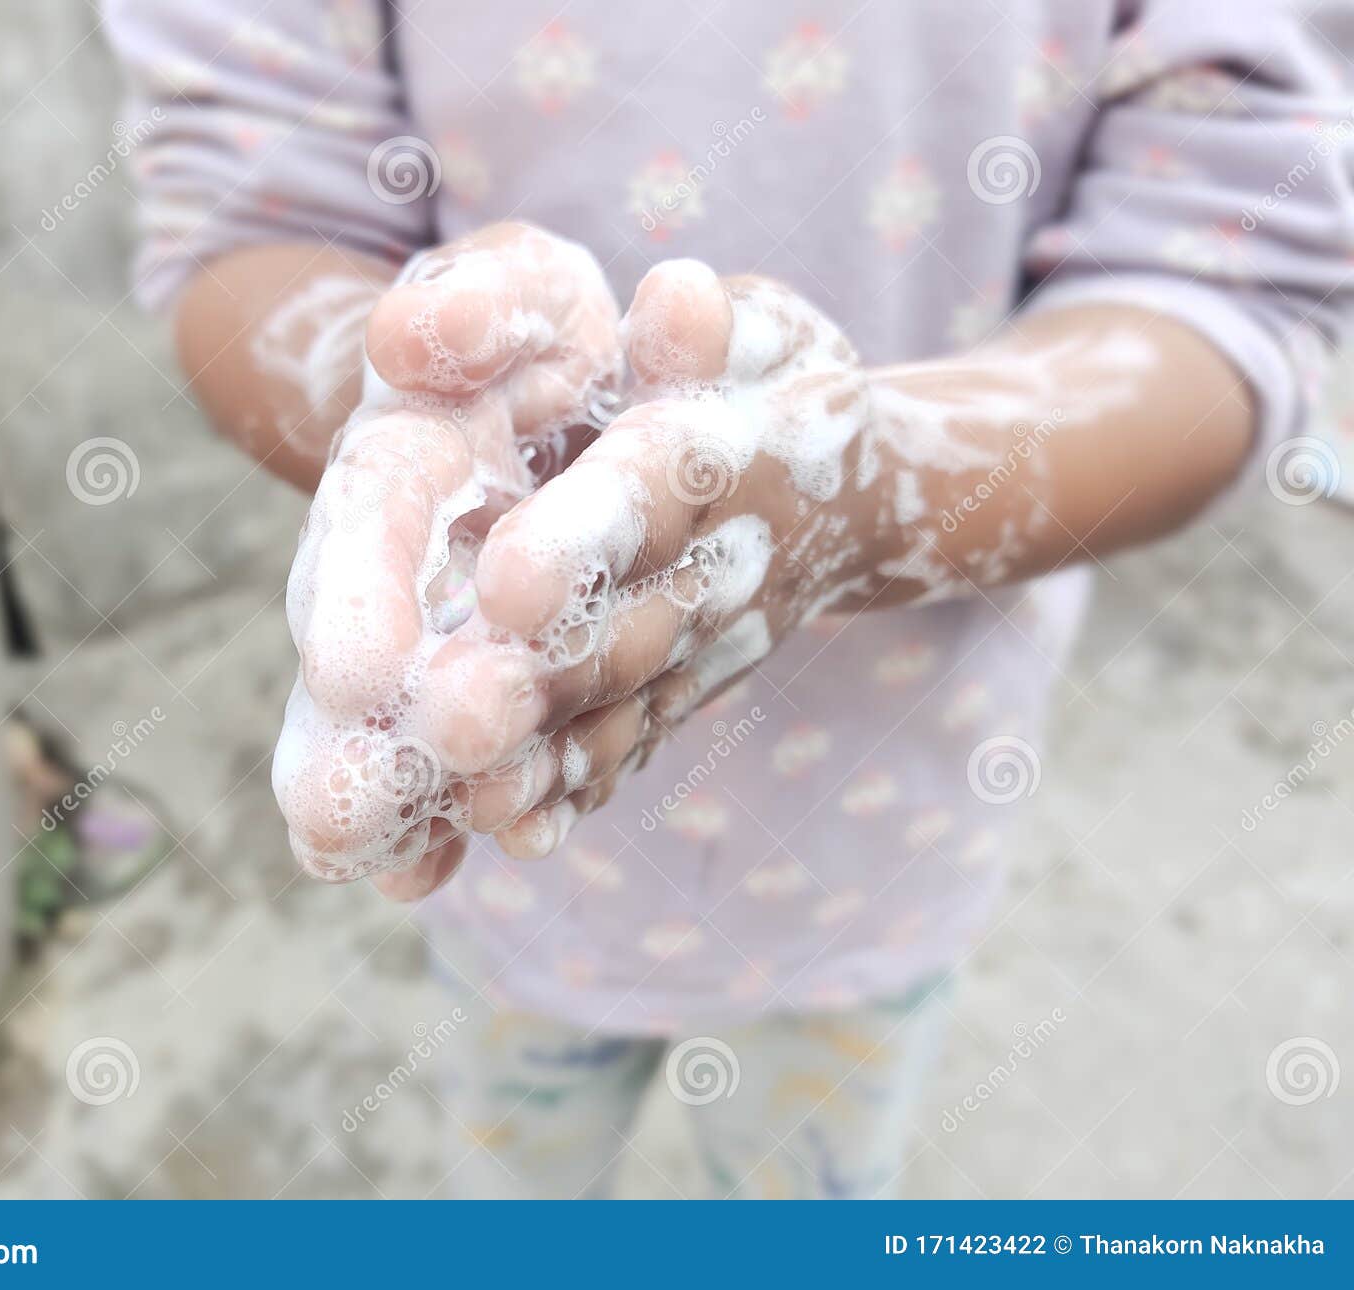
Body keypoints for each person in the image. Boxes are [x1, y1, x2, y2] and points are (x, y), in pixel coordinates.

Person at [106, 0, 1353, 1198]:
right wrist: (408, 387)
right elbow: (250, 193)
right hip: (502, 809)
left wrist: (874, 481)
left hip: (884, 827)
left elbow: (1231, 249)